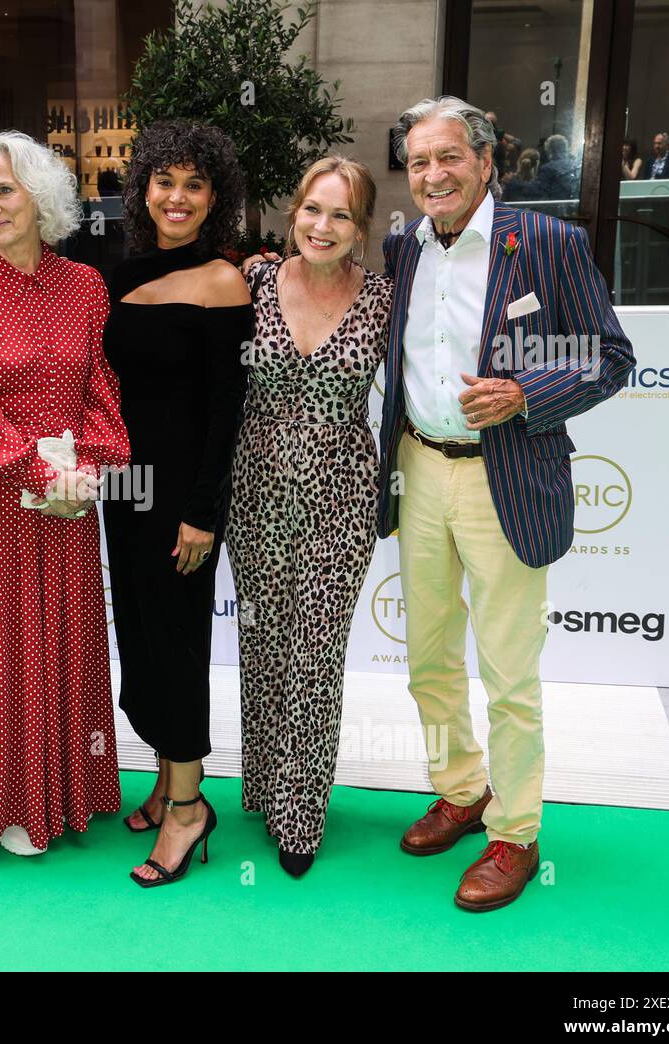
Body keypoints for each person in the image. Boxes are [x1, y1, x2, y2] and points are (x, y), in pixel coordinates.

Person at [381, 97, 634, 911]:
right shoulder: (401, 251)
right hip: (420, 472)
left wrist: (527, 391)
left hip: (505, 477)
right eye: (419, 161)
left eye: (448, 157)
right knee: (428, 659)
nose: (433, 175)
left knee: (509, 671)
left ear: (487, 161)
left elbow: (610, 354)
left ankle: (516, 832)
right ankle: (462, 788)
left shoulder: (549, 244)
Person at [0, 130, 131, 855]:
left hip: (70, 499)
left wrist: (92, 467)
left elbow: (101, 391)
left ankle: (70, 785)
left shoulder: (86, 286)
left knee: (65, 636)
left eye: (3, 190)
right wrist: (44, 475)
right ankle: (6, 800)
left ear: (39, 193)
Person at [102, 120, 252, 887]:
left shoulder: (225, 281)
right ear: (144, 191)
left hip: (184, 499)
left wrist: (203, 510)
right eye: (165, 181)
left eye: (195, 184)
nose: (178, 197)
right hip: (123, 489)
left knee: (179, 644)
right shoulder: (119, 274)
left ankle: (190, 808)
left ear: (215, 199)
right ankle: (165, 776)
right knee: (143, 635)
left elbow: (228, 409)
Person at [233, 157, 393, 878]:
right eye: (312, 211)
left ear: (362, 229)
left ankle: (303, 812)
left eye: (341, 215)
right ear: (293, 213)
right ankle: (267, 788)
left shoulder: (386, 300)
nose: (322, 227)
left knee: (315, 651)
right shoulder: (254, 282)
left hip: (343, 492)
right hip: (255, 490)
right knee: (264, 643)